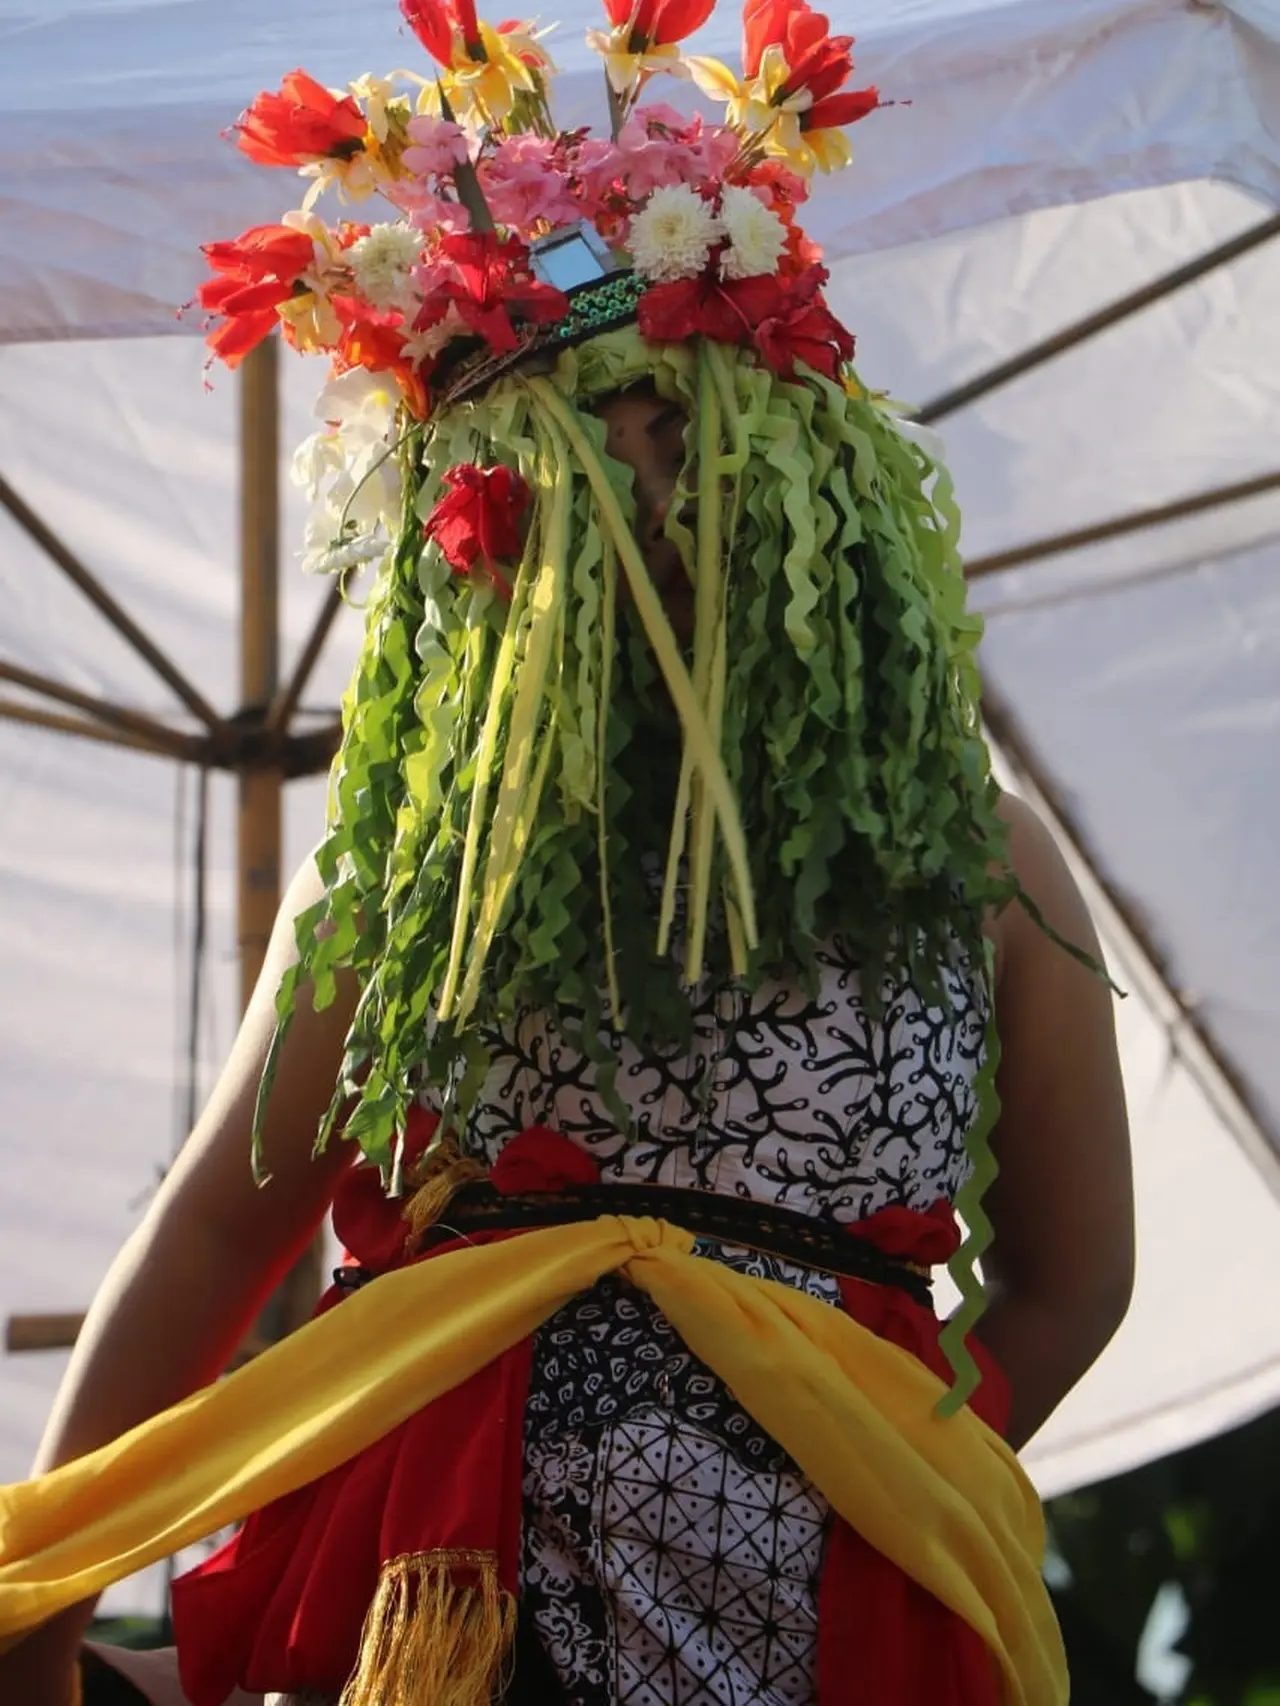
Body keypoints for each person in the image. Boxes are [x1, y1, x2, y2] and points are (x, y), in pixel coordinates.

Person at [0, 1, 1134, 1702]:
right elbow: (203, 1251)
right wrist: (40, 1600)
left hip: (846, 1616)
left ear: (797, 467)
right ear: (489, 516)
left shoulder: (982, 861)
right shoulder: (411, 868)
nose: (643, 485)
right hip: (444, 1598)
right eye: (583, 446)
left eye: (682, 431)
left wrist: (866, 1460)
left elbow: (1076, 1279)